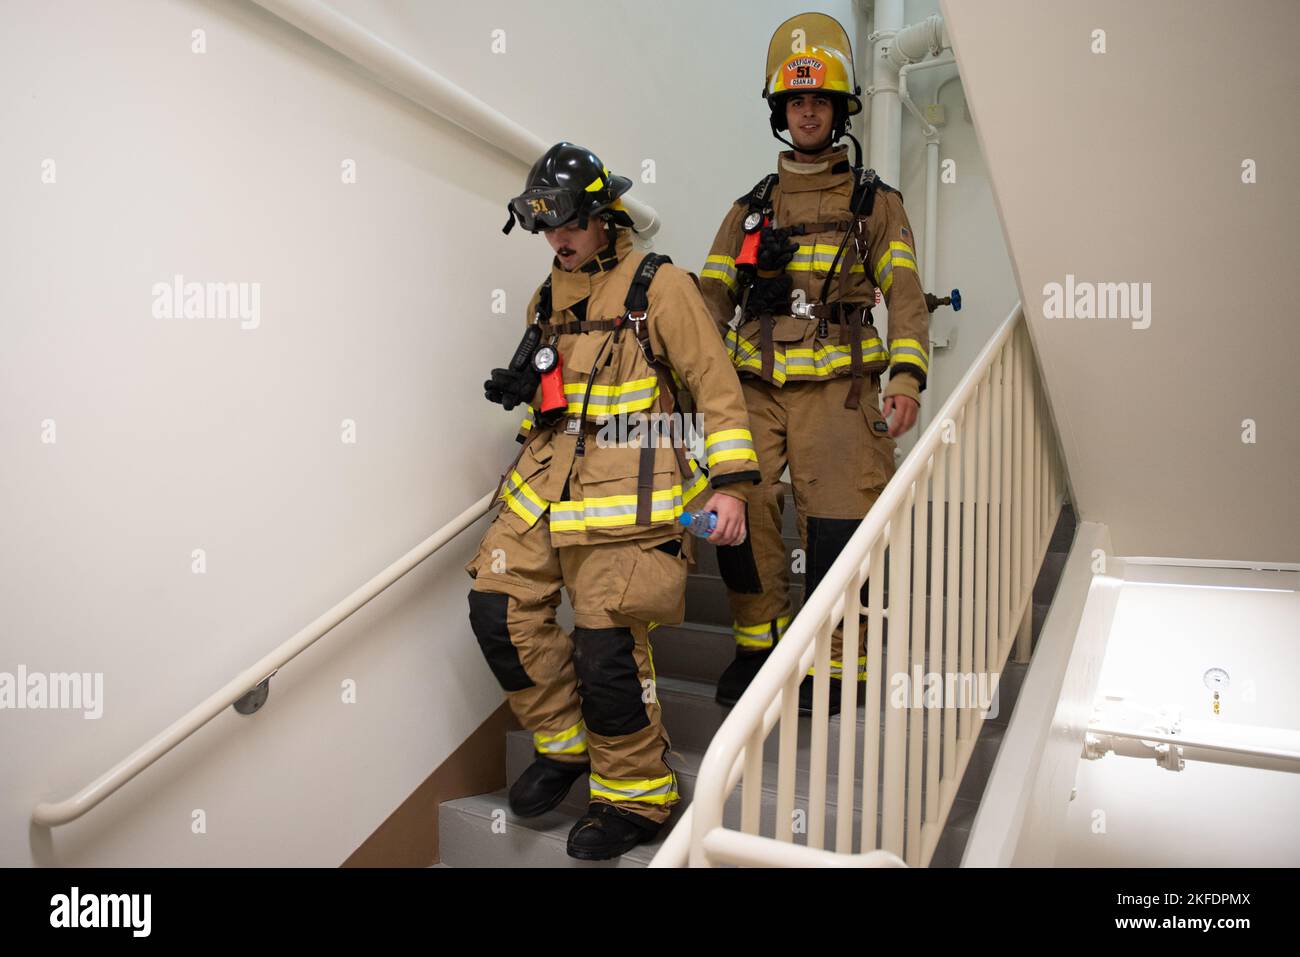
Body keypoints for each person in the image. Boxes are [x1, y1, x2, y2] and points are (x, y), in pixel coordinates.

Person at [467, 142, 759, 860]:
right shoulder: (548, 293)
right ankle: (565, 745)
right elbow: (558, 388)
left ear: (603, 216)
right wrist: (527, 389)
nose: (556, 241)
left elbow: (716, 388)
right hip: (549, 480)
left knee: (605, 649)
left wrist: (730, 485)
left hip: (633, 490)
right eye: (545, 229)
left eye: (567, 225)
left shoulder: (660, 286)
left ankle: (637, 794)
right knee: (496, 607)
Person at [698, 13, 930, 715]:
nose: (806, 110)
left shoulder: (874, 202)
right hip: (755, 387)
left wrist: (908, 376)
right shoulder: (749, 208)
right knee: (742, 514)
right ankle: (758, 648)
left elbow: (907, 295)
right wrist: (688, 387)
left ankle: (841, 663)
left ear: (837, 111)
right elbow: (709, 302)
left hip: (842, 389)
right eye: (795, 100)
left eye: (819, 100)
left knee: (837, 524)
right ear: (780, 111)